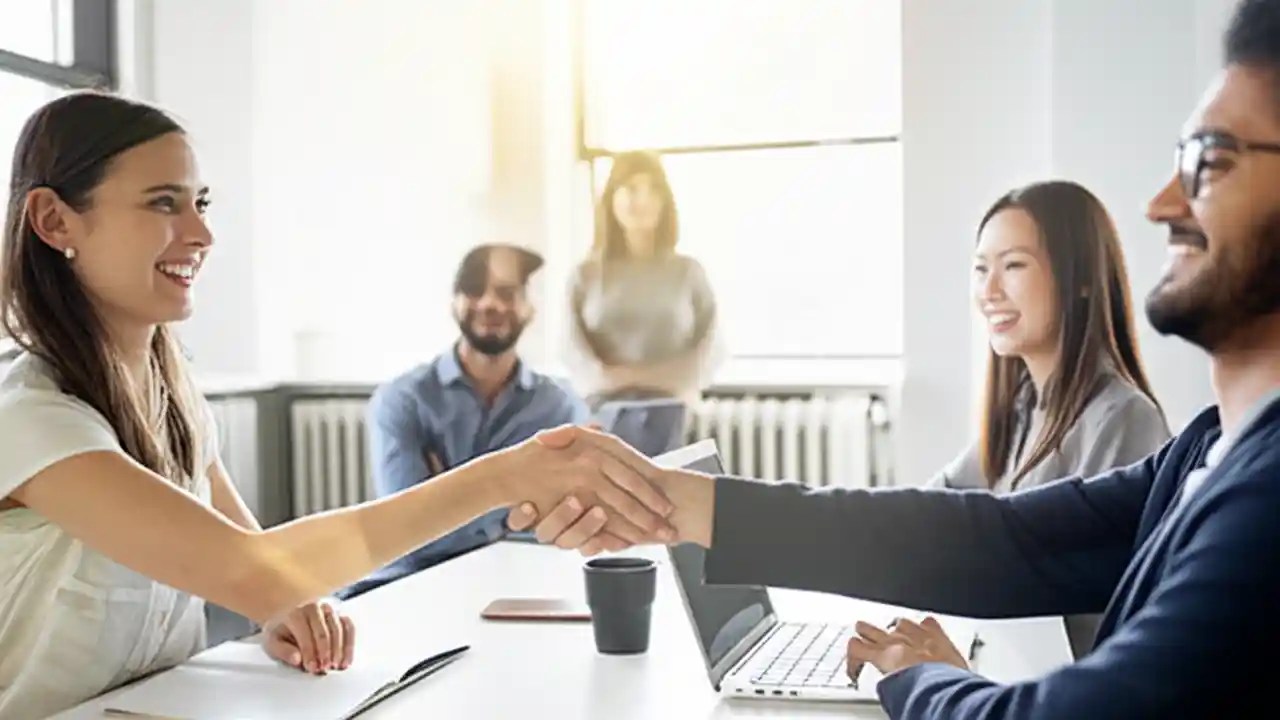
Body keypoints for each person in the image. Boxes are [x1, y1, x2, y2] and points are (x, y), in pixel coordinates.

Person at [511, 0, 1280, 715]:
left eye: (1208, 160)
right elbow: (986, 538)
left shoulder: (1261, 492)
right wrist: (670, 502)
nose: (1161, 205)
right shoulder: (1203, 452)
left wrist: (918, 680)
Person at [0, 93, 674, 719]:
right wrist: (503, 476)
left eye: (201, 202)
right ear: (56, 221)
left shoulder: (173, 399)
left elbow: (258, 563)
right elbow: (254, 569)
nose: (201, 233)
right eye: (163, 204)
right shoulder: (31, 418)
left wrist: (284, 607)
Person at [932, 180, 1170, 657]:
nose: (989, 291)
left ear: (1081, 279)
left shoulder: (1124, 420)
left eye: (1013, 266)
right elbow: (938, 505)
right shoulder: (1024, 406)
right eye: (981, 270)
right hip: (1016, 661)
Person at [352, 244, 589, 596]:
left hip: (522, 587)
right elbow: (404, 532)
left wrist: (445, 498)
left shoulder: (559, 408)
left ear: (530, 306)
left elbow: (563, 529)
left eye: (507, 292)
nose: (490, 304)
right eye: (474, 289)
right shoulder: (402, 400)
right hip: (412, 583)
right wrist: (512, 514)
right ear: (454, 302)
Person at [566, 151, 723, 409]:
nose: (643, 199)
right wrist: (624, 380)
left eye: (653, 189)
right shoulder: (585, 276)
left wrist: (637, 379)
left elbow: (710, 349)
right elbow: (574, 354)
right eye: (631, 188)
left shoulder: (688, 273)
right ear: (611, 198)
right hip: (602, 414)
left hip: (675, 412)